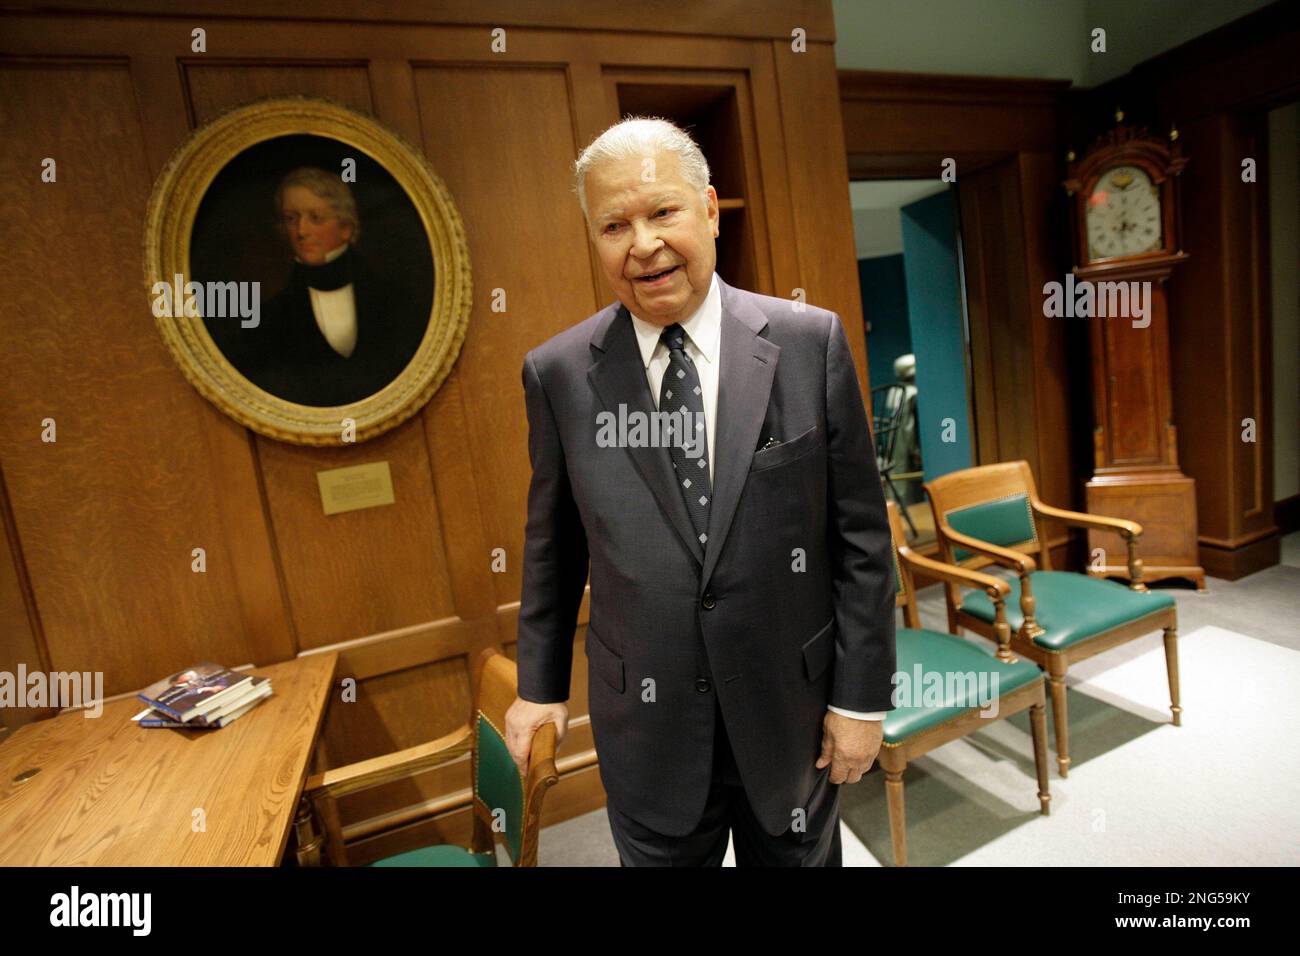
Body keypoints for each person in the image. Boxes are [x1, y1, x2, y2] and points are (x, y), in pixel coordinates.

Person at [506, 117, 896, 866]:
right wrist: (539, 684)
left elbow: (862, 542)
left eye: (662, 212)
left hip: (792, 717)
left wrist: (860, 699)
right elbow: (553, 543)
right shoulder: (557, 373)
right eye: (613, 225)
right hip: (646, 728)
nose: (642, 244)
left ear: (710, 210)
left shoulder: (809, 343)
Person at [226, 167, 428, 407]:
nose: (301, 231)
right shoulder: (268, 321)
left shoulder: (397, 301)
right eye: (291, 218)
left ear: (346, 226)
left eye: (316, 218)